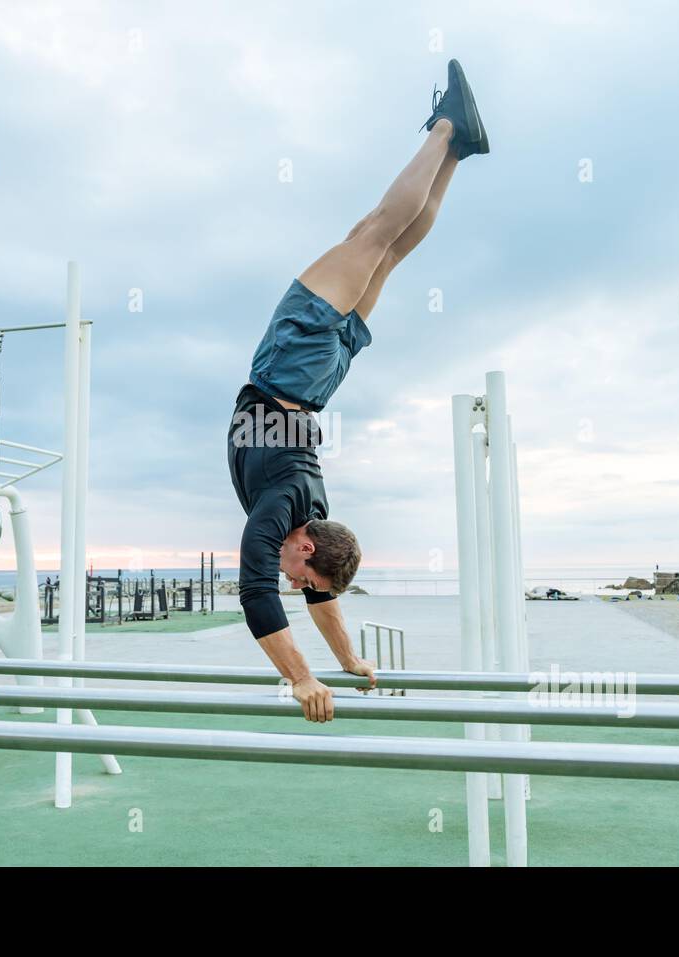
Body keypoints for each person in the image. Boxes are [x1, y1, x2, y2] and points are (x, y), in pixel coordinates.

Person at [227, 59, 489, 722]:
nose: (291, 581)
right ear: (308, 547)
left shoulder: (310, 511)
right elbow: (256, 592)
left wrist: (344, 663)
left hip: (318, 381)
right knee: (376, 233)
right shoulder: (282, 511)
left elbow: (320, 596)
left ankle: (456, 149)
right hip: (292, 367)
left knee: (389, 250)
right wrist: (300, 678)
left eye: (298, 582)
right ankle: (445, 128)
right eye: (300, 574)